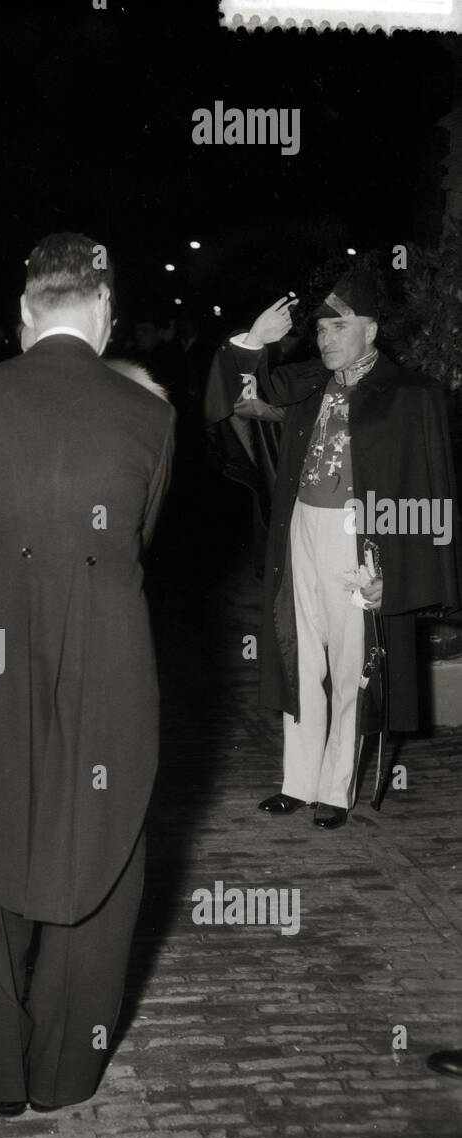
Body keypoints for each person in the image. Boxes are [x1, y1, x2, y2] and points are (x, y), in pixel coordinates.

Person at [0, 233, 173, 1116]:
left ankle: (6, 1079)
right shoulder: (150, 416)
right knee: (102, 848)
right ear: (104, 312)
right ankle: (66, 1072)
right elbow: (137, 541)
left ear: (23, 314)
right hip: (107, 666)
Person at [218, 271, 462, 828]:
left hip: (361, 536)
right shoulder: (304, 383)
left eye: (340, 326)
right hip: (301, 527)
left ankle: (335, 787)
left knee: (355, 665)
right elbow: (234, 402)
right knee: (297, 650)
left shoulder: (410, 393)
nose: (327, 338)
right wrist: (253, 342)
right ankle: (298, 781)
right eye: (322, 328)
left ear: (371, 331)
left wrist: (394, 570)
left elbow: (427, 492)